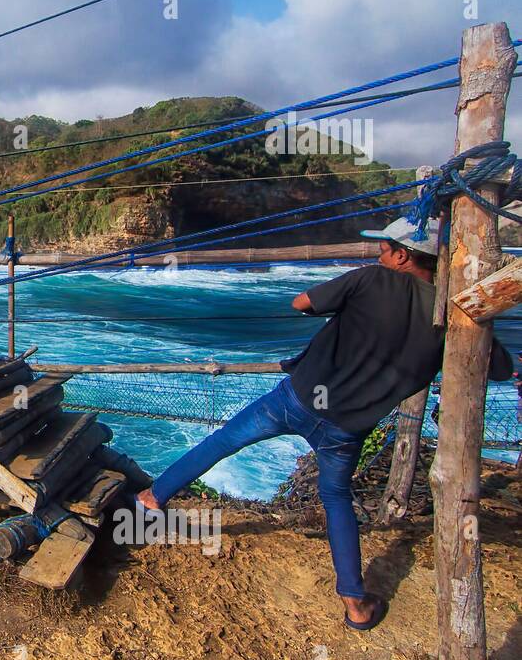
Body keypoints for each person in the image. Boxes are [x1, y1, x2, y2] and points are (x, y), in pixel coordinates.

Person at [137, 217, 514, 631]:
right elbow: (497, 367)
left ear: (403, 255)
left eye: (385, 248)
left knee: (224, 440)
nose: (379, 253)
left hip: (297, 399)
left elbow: (301, 303)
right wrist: (468, 310)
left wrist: (348, 307)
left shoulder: (371, 280)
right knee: (336, 498)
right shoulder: (449, 313)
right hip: (346, 428)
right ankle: (355, 603)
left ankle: (153, 498)